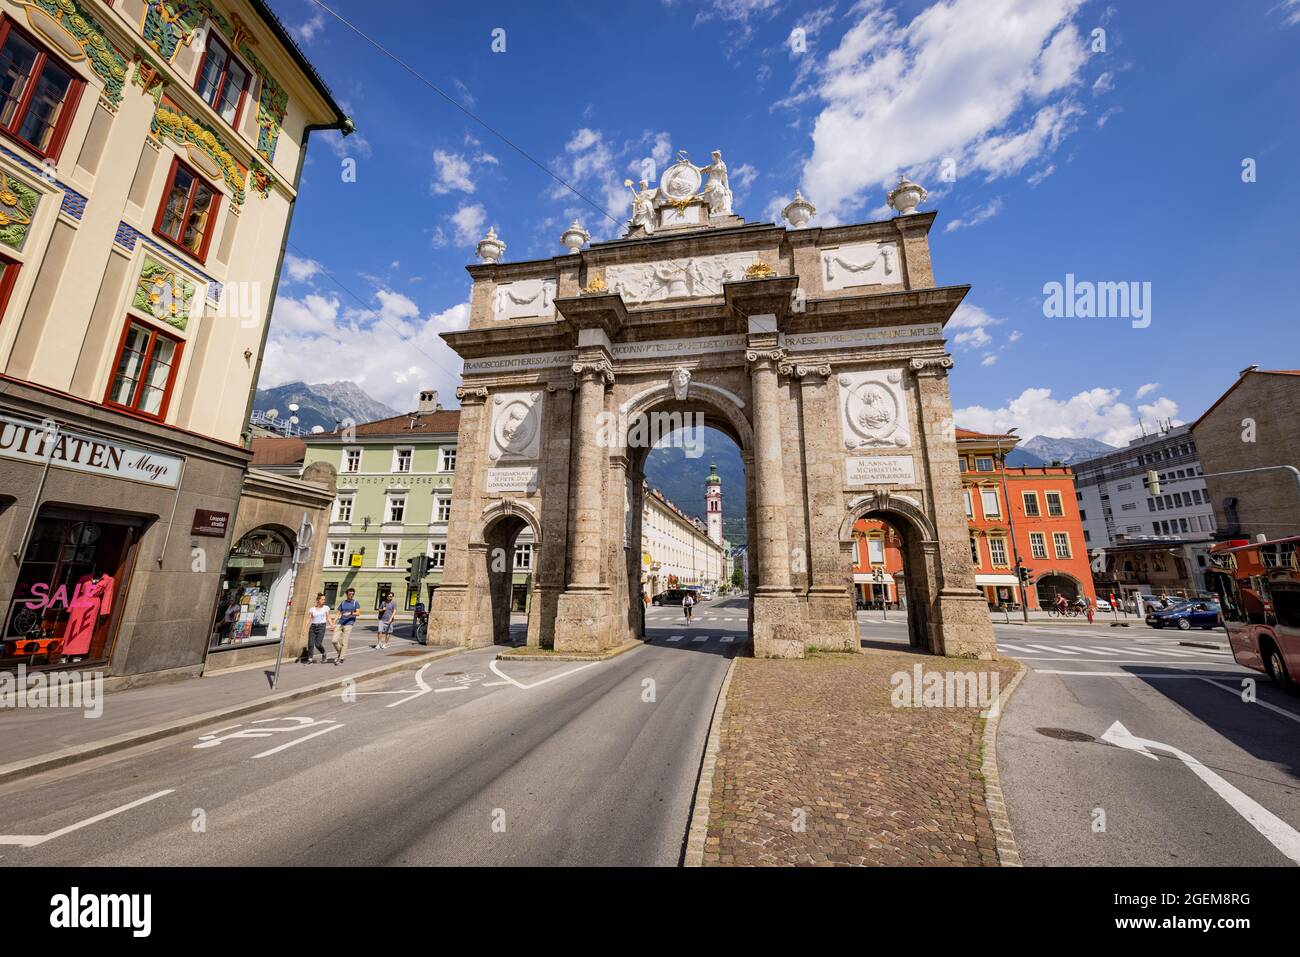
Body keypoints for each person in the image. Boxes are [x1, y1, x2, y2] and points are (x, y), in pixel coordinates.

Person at [333, 587, 360, 665]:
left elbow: (358, 613)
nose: (351, 595)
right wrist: (333, 623)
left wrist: (350, 613)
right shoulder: (343, 603)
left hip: (349, 624)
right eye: (350, 594)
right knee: (334, 641)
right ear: (347, 594)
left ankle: (341, 658)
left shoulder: (355, 603)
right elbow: (338, 613)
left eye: (353, 594)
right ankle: (340, 653)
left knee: (344, 642)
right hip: (340, 623)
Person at [305, 594, 333, 664]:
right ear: (318, 600)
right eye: (322, 599)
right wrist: (305, 628)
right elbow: (308, 619)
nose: (324, 601)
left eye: (324, 599)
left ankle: (323, 653)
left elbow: (328, 617)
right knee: (310, 644)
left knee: (318, 644)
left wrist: (332, 625)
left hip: (321, 627)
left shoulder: (326, 608)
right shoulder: (312, 609)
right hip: (313, 627)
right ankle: (310, 659)